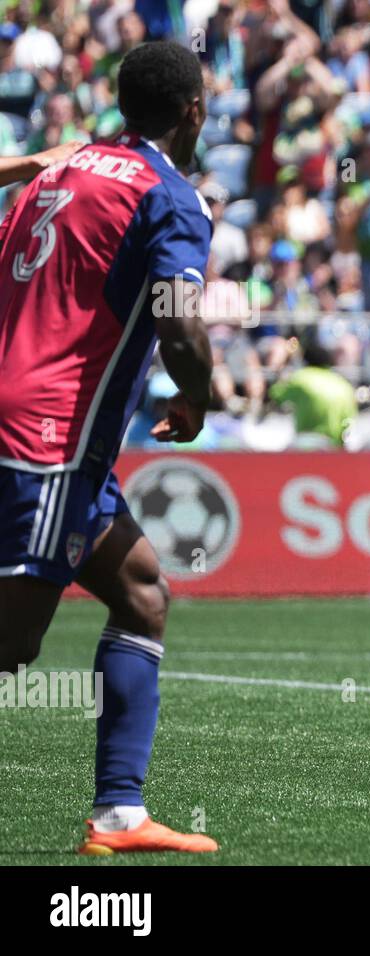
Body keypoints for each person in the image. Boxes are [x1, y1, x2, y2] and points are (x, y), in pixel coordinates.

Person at [0, 41, 221, 853]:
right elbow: (176, 317)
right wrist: (196, 390)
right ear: (193, 110)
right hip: (48, 436)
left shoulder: (60, 168)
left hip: (47, 434)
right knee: (12, 647)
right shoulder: (170, 198)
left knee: (140, 593)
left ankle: (118, 814)